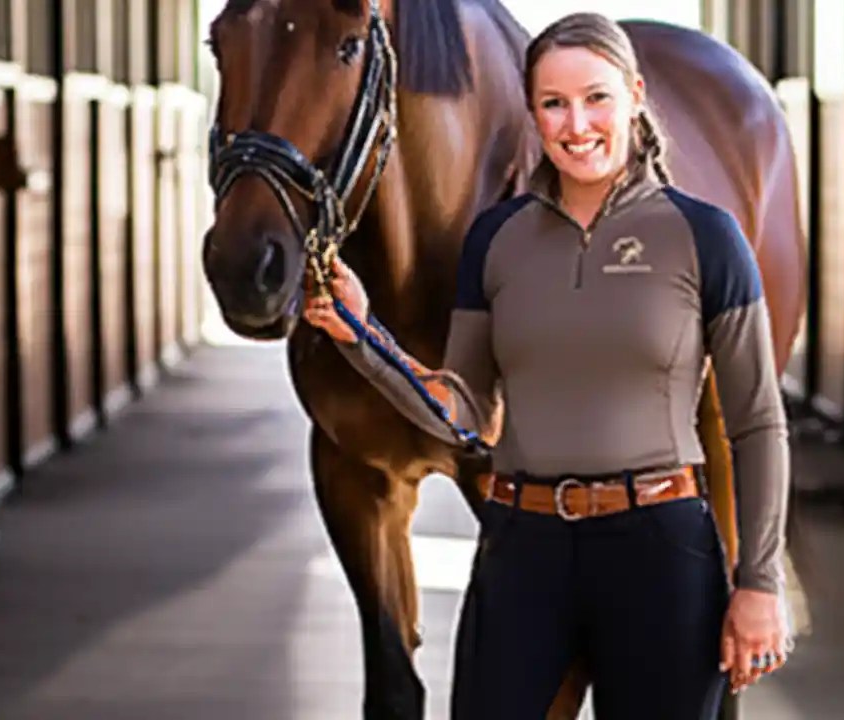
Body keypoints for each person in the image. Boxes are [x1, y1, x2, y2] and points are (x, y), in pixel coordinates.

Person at [304, 11, 792, 719]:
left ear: (634, 93)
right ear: (531, 113)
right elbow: (468, 409)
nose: (577, 124)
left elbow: (756, 424)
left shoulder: (704, 236)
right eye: (553, 104)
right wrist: (362, 336)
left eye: (597, 98)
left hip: (660, 548)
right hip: (522, 548)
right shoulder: (496, 241)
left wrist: (760, 582)